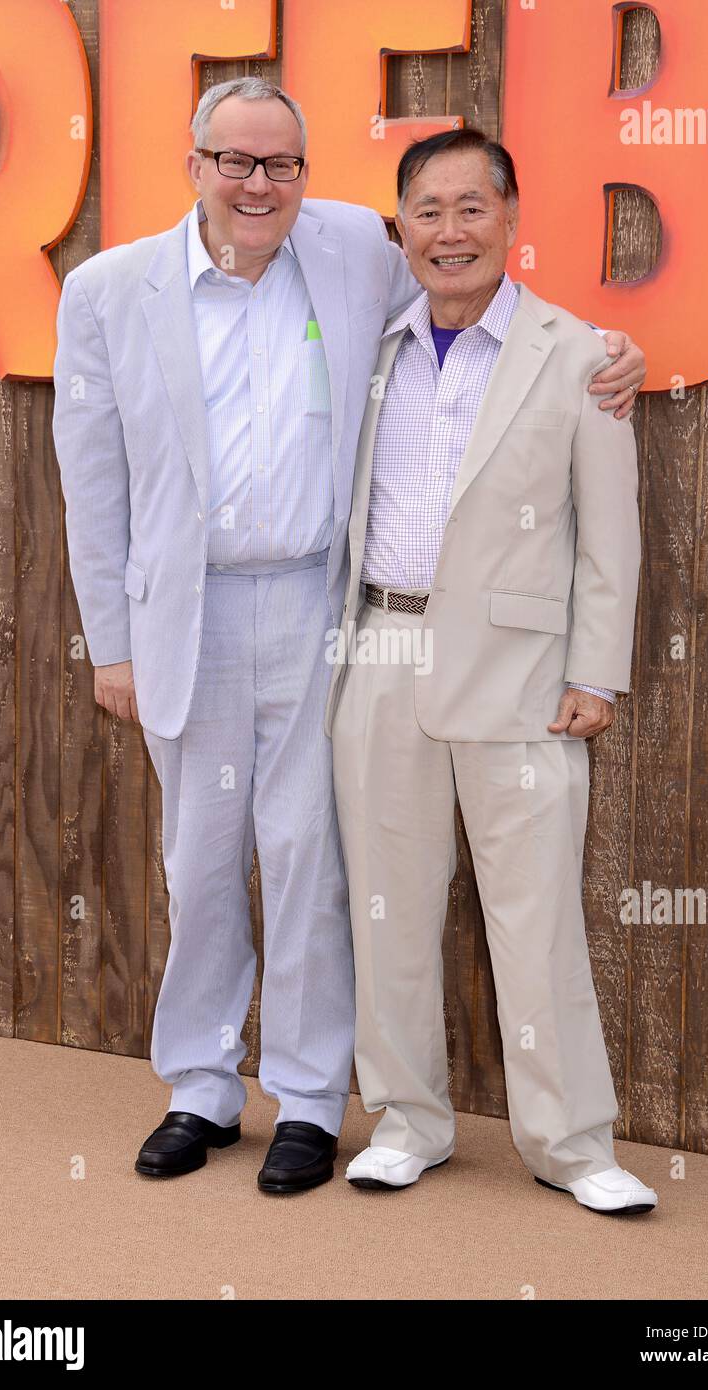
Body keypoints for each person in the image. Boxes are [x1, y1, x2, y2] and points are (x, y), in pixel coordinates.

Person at [53, 79, 648, 1195]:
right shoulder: (106, 291)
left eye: (281, 165)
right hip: (191, 612)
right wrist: (112, 643)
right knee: (197, 858)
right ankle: (200, 1086)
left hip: (325, 611)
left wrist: (613, 349)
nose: (258, 185)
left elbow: (505, 319)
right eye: (235, 162)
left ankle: (312, 1098)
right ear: (192, 164)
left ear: (308, 176)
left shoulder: (350, 252)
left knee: (313, 862)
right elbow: (92, 482)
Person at [327, 127, 656, 1215]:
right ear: (400, 227)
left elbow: (612, 535)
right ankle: (408, 1123)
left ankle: (571, 1143)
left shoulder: (580, 356)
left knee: (536, 920)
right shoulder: (366, 350)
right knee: (387, 910)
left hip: (523, 679)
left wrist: (595, 675)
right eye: (427, 210)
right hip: (380, 652)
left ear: (510, 220)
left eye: (472, 207)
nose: (449, 230)